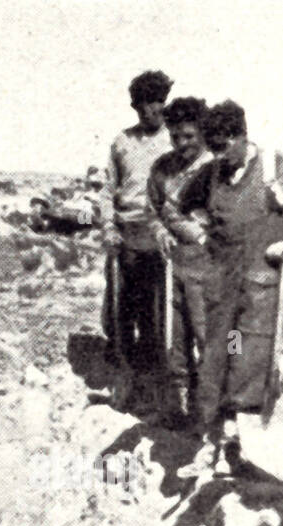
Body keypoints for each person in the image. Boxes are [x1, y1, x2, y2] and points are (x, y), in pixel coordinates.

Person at [179, 101, 283, 476]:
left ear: (242, 136)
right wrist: (200, 232)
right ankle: (217, 442)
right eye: (213, 148)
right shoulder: (210, 176)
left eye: (224, 147)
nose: (218, 155)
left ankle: (243, 447)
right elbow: (179, 206)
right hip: (224, 290)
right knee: (222, 356)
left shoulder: (275, 168)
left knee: (253, 369)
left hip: (261, 293)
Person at [102, 69, 174, 413]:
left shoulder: (175, 141)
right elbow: (107, 191)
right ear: (136, 106)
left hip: (161, 240)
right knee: (120, 315)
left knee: (159, 318)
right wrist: (107, 227)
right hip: (125, 239)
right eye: (146, 103)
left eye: (159, 101)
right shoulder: (122, 142)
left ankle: (159, 391)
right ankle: (125, 380)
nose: (153, 109)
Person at [146, 96, 212, 429]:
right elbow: (153, 210)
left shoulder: (217, 167)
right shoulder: (162, 168)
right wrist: (159, 230)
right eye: (175, 137)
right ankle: (176, 410)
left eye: (188, 136)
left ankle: (212, 419)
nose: (181, 144)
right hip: (174, 265)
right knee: (174, 338)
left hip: (209, 267)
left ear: (202, 131)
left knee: (210, 338)